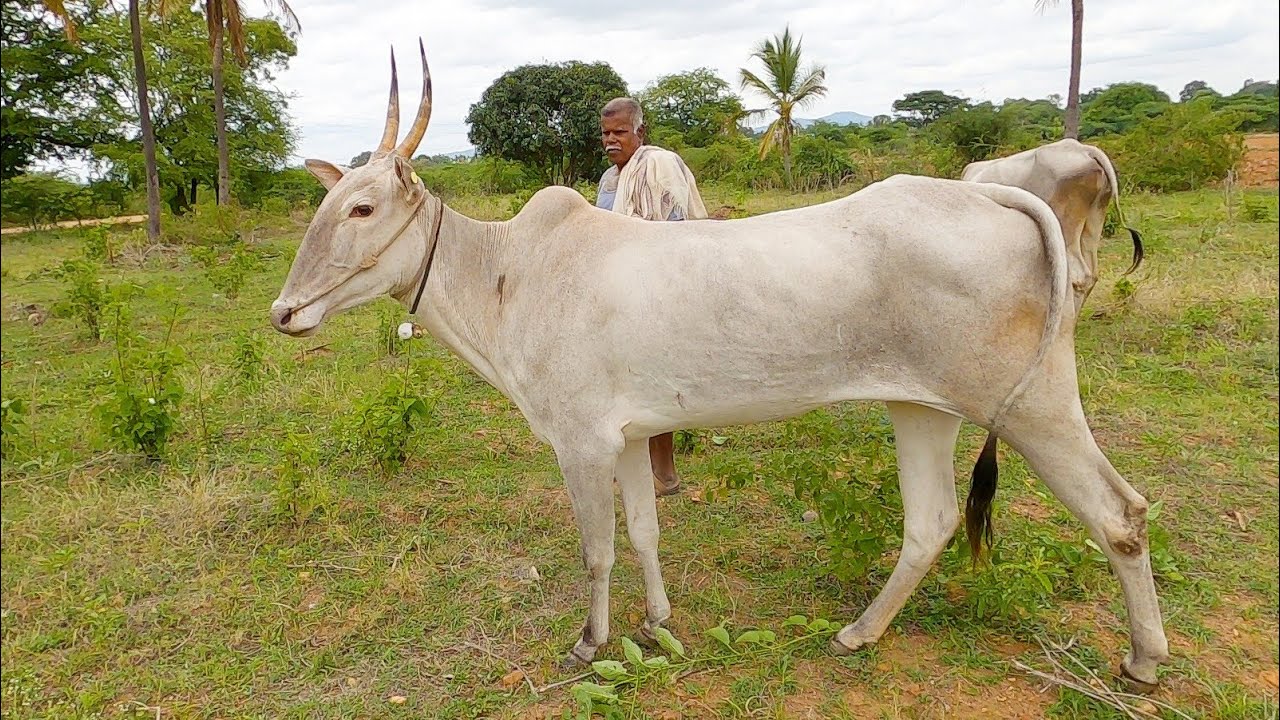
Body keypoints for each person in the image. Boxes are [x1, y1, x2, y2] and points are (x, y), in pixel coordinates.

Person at [594, 96, 708, 497]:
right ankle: (633, 469)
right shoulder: (610, 179)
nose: (611, 140)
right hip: (621, 293)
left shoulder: (659, 163)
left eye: (620, 132)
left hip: (661, 290)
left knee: (657, 381)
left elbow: (675, 232)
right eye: (606, 133)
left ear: (640, 132)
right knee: (627, 383)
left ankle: (665, 473)